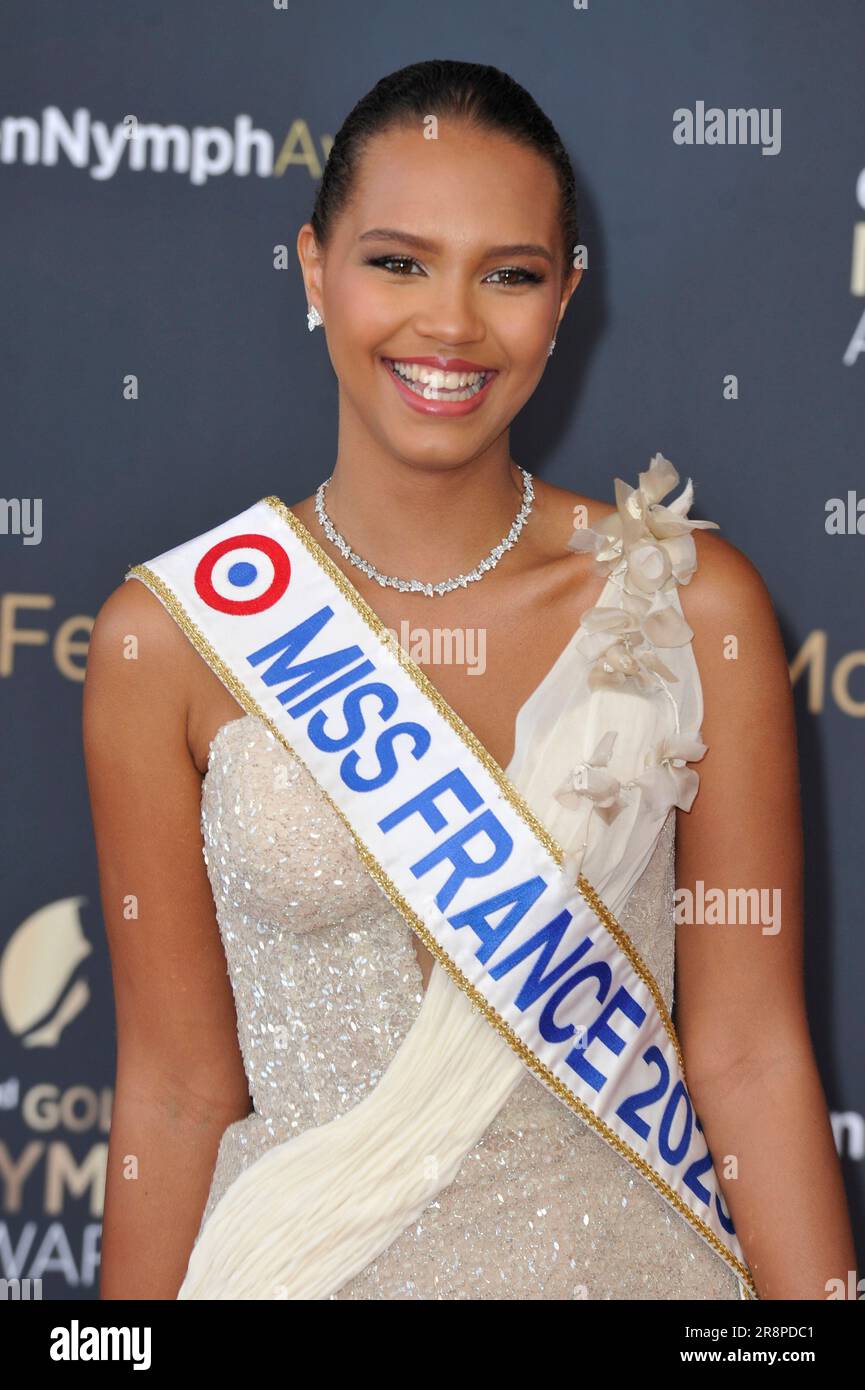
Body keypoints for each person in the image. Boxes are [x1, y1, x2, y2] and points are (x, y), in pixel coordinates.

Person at [84, 58, 856, 1301]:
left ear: (566, 297)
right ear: (312, 269)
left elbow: (750, 1058)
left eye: (509, 274)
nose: (450, 324)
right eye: (398, 262)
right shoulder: (169, 638)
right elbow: (175, 1090)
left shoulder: (687, 601)